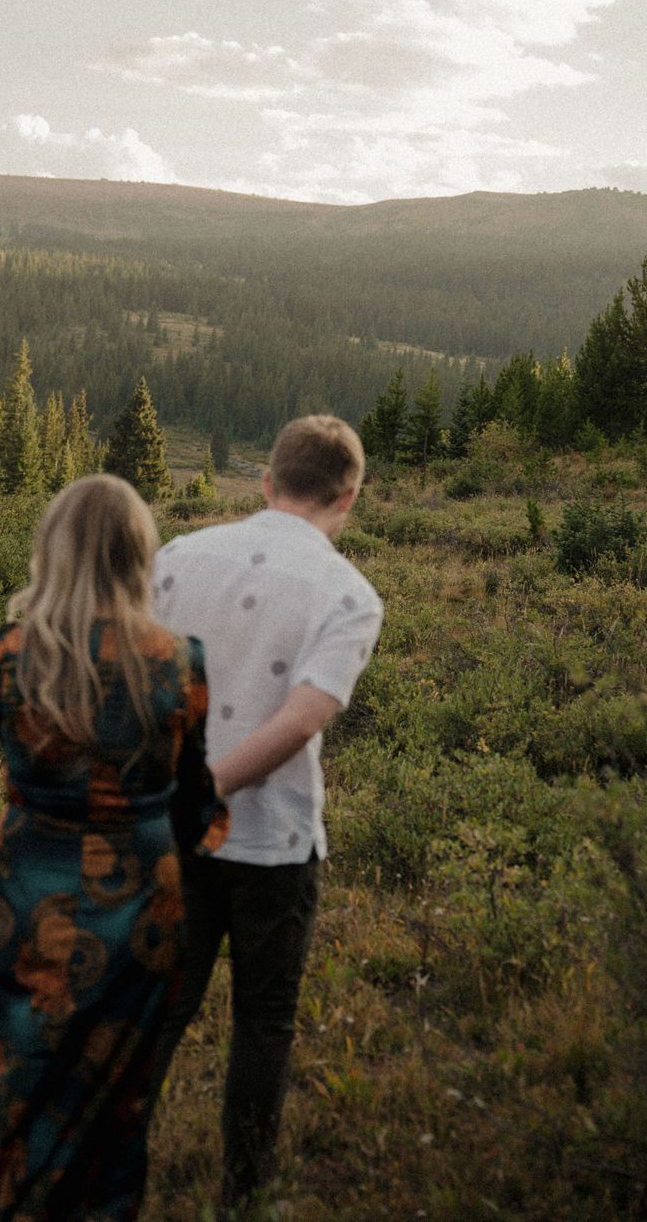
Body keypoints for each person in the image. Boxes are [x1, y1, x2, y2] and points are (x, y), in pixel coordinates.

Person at [0, 473, 228, 1222]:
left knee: (2, 1075)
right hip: (139, 907)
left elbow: (13, 760)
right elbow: (196, 802)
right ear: (140, 555)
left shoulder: (8, 655)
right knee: (112, 1103)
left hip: (19, 894)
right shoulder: (181, 662)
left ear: (53, 550)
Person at [150, 414, 383, 1211]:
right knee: (263, 1020)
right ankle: (242, 1197)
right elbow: (302, 719)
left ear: (266, 481)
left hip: (168, 833)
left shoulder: (177, 557)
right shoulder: (348, 593)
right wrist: (210, 790)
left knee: (158, 1009)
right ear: (347, 497)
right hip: (274, 842)